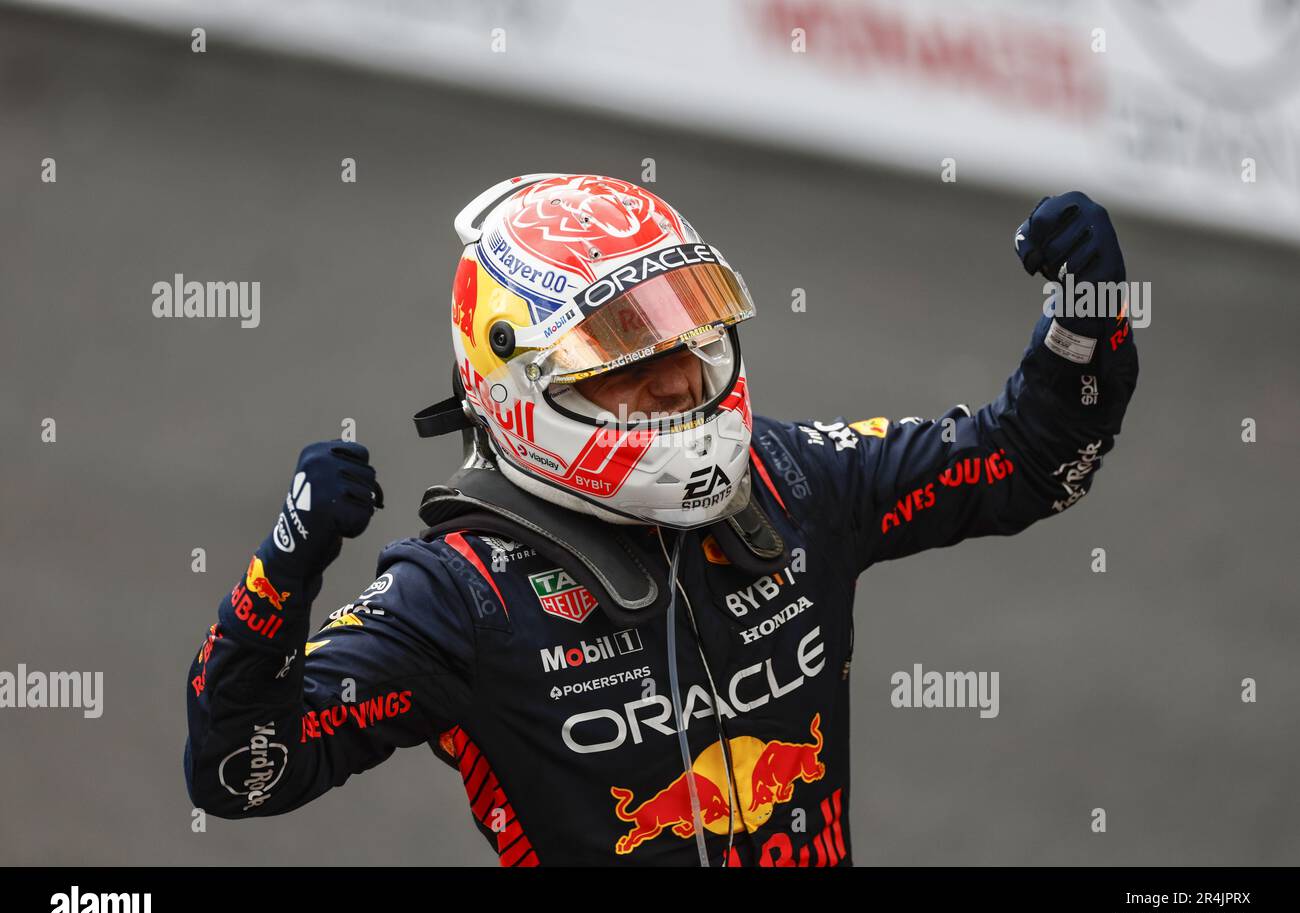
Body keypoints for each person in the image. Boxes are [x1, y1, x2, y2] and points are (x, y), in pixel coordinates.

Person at [183, 174, 1138, 866]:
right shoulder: (456, 597)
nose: (681, 377)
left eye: (686, 333)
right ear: (523, 388)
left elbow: (1028, 462)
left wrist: (1085, 322)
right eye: (629, 356)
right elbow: (241, 776)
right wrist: (283, 574)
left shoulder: (790, 478)